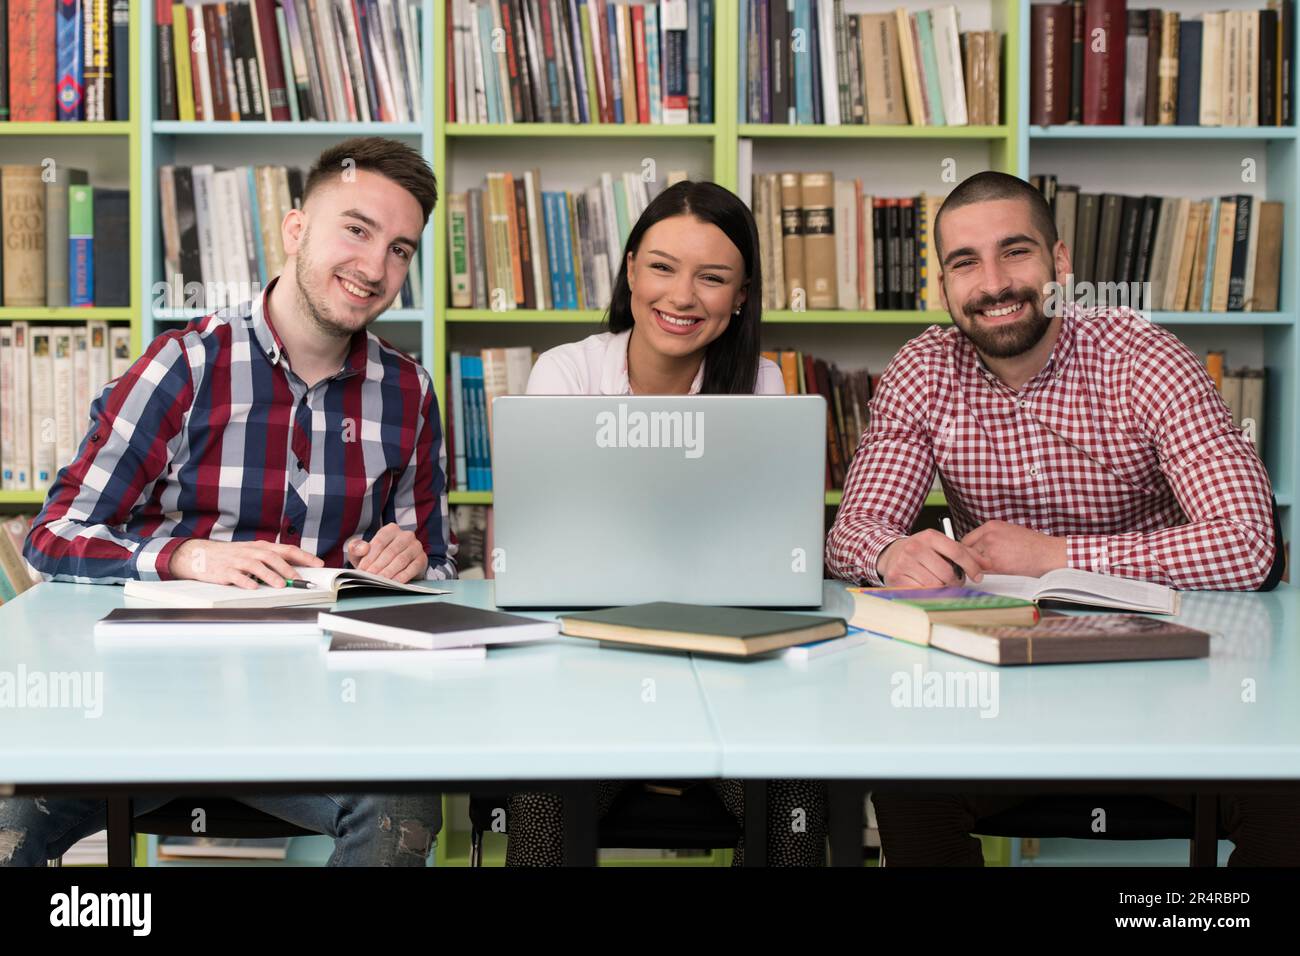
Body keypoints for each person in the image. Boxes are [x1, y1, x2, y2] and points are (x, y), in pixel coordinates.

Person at [826, 169, 1297, 865]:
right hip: (1000, 695)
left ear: (1061, 262)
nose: (993, 283)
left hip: (1173, 693)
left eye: (1015, 252)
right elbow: (851, 533)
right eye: (966, 262)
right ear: (945, 282)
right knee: (904, 780)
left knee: (1286, 796)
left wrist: (1058, 556)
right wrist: (892, 554)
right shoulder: (924, 371)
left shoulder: (1145, 358)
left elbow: (1250, 546)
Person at [2, 137, 451, 867]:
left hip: (325, 718)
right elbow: (54, 535)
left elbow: (437, 560)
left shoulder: (410, 394)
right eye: (357, 230)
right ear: (296, 230)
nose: (375, 268)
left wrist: (414, 557)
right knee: (8, 826)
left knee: (403, 810)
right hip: (142, 713)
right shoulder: (182, 367)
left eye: (400, 249)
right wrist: (187, 556)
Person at [514, 180, 825, 866]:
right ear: (629, 271)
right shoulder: (565, 373)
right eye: (661, 267)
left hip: (730, 670)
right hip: (591, 667)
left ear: (741, 296)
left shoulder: (760, 384)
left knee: (796, 807)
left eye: (712, 278)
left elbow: (763, 559)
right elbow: (552, 551)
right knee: (542, 805)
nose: (682, 297)